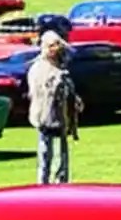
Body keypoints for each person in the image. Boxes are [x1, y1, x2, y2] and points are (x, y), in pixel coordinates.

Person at [26, 30, 82, 184]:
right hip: (45, 116)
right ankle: (43, 183)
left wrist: (74, 100)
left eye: (57, 45)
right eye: (52, 46)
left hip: (62, 117)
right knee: (45, 152)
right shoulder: (38, 68)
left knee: (62, 152)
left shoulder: (61, 66)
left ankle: (62, 180)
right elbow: (39, 93)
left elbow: (68, 89)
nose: (55, 49)